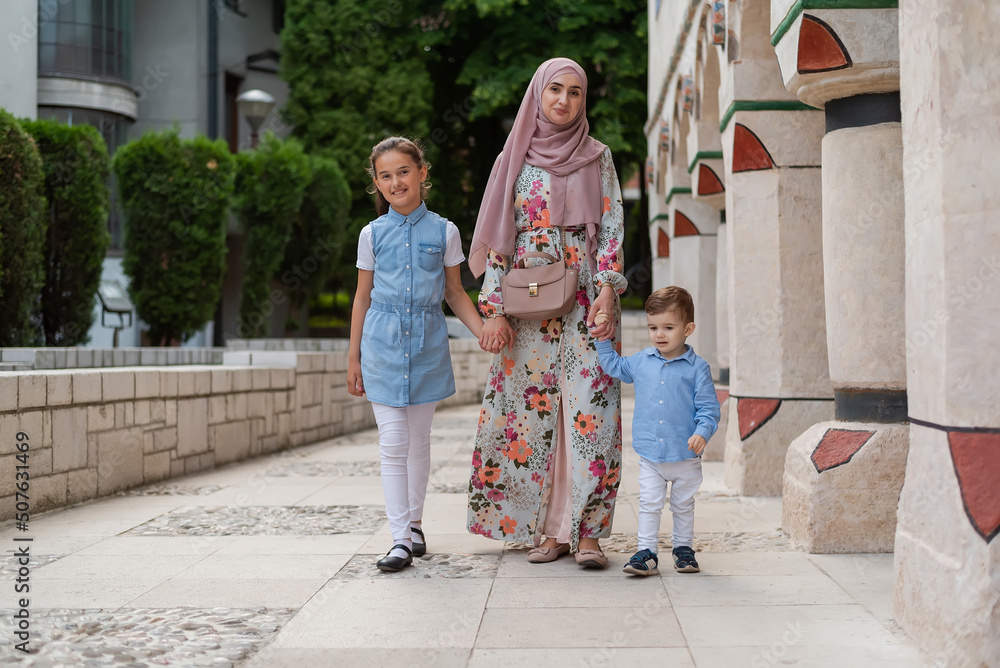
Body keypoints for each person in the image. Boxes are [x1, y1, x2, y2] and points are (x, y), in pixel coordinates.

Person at [466, 57, 626, 569]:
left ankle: (590, 534)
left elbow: (612, 225)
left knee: (591, 412)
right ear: (538, 94)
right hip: (525, 302)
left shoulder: (597, 157)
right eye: (554, 90)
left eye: (575, 93)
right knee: (530, 414)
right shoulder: (513, 158)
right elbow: (497, 241)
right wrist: (491, 310)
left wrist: (607, 291)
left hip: (585, 301)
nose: (563, 100)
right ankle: (548, 530)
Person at [348, 136, 486, 572]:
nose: (396, 181)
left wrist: (484, 332)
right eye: (385, 176)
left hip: (427, 344)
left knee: (419, 440)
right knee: (393, 443)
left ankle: (415, 523)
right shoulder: (371, 234)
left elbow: (454, 291)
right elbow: (361, 298)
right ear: (376, 184)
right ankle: (399, 539)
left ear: (422, 173)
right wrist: (353, 358)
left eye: (403, 172)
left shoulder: (444, 231)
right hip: (382, 346)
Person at [594, 286, 720, 575]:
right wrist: (603, 339)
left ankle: (683, 549)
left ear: (688, 329)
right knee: (649, 503)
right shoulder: (641, 361)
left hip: (685, 456)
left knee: (683, 505)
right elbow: (614, 366)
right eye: (653, 327)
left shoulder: (697, 368)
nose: (659, 334)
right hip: (651, 455)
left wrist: (702, 431)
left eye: (668, 327)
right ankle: (646, 552)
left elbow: (709, 409)